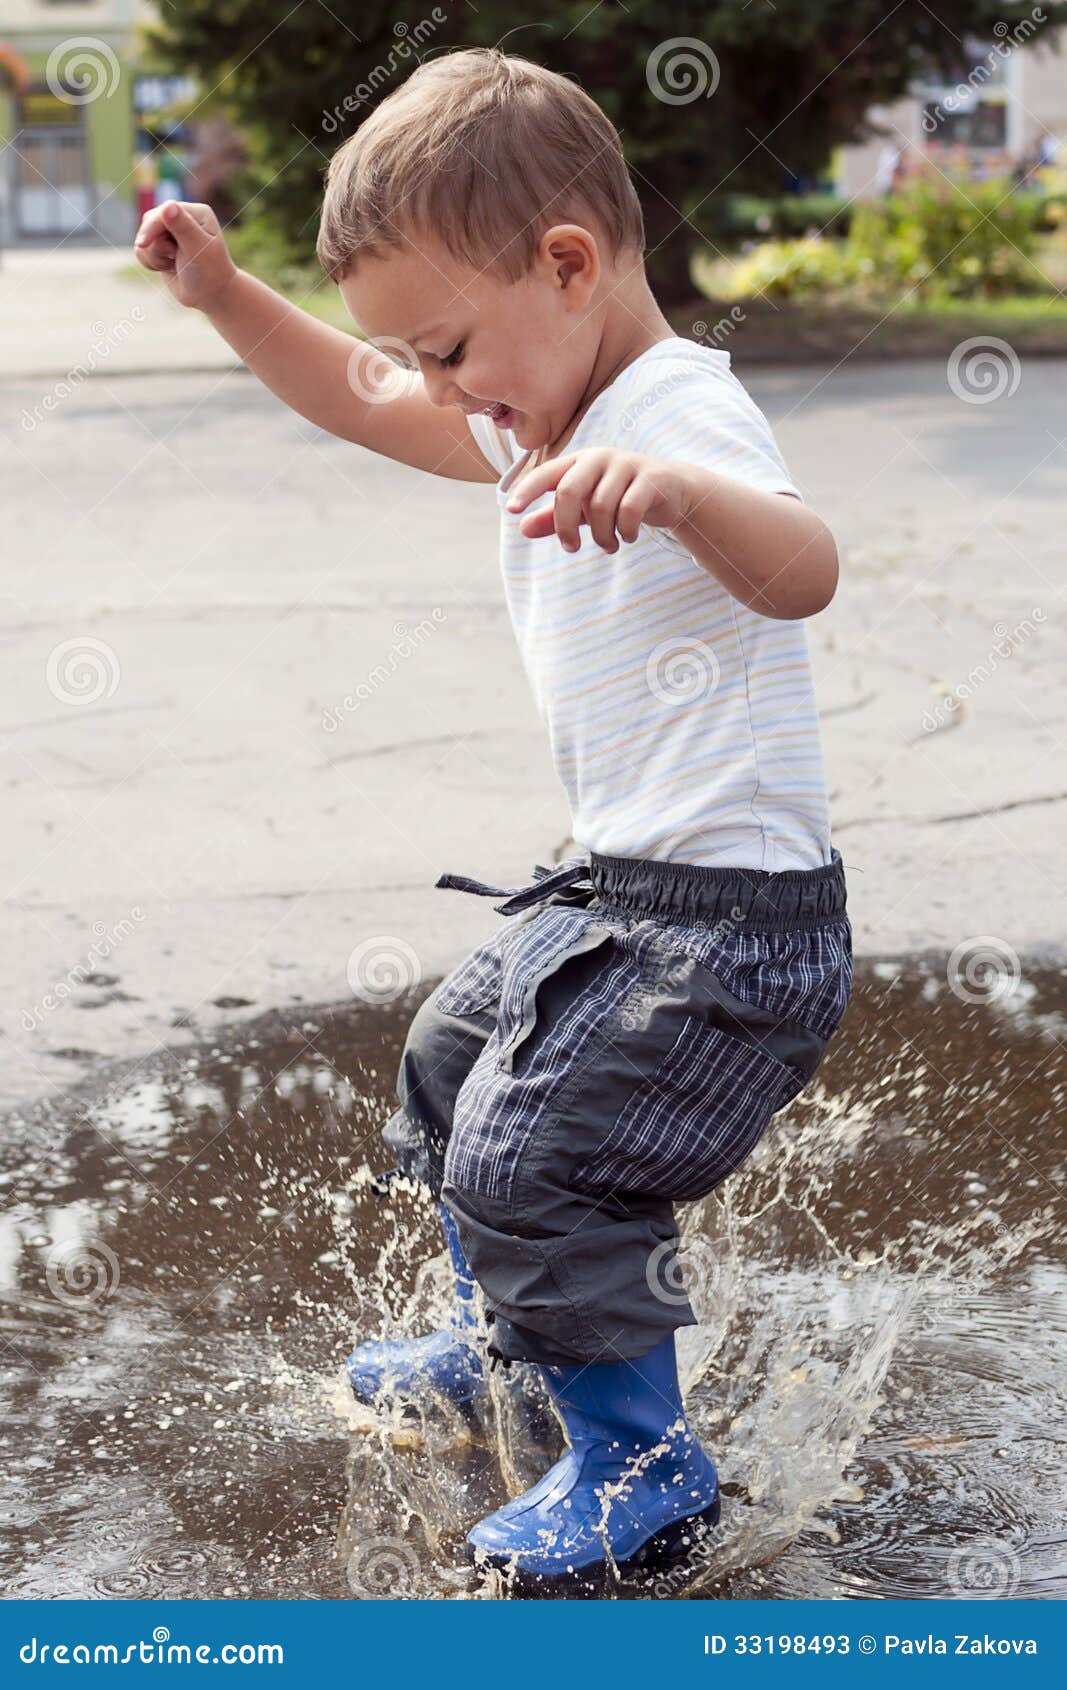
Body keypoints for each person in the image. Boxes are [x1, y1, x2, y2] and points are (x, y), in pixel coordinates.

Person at [133, 46, 853, 1596]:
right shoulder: (533, 411)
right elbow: (363, 387)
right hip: (620, 893)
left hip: (736, 931)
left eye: (456, 347)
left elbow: (807, 569)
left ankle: (647, 1465)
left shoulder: (673, 409)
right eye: (433, 360)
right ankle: (502, 1346)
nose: (446, 391)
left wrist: (671, 495)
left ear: (571, 265)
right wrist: (229, 296)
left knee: (527, 1163)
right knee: (454, 1063)